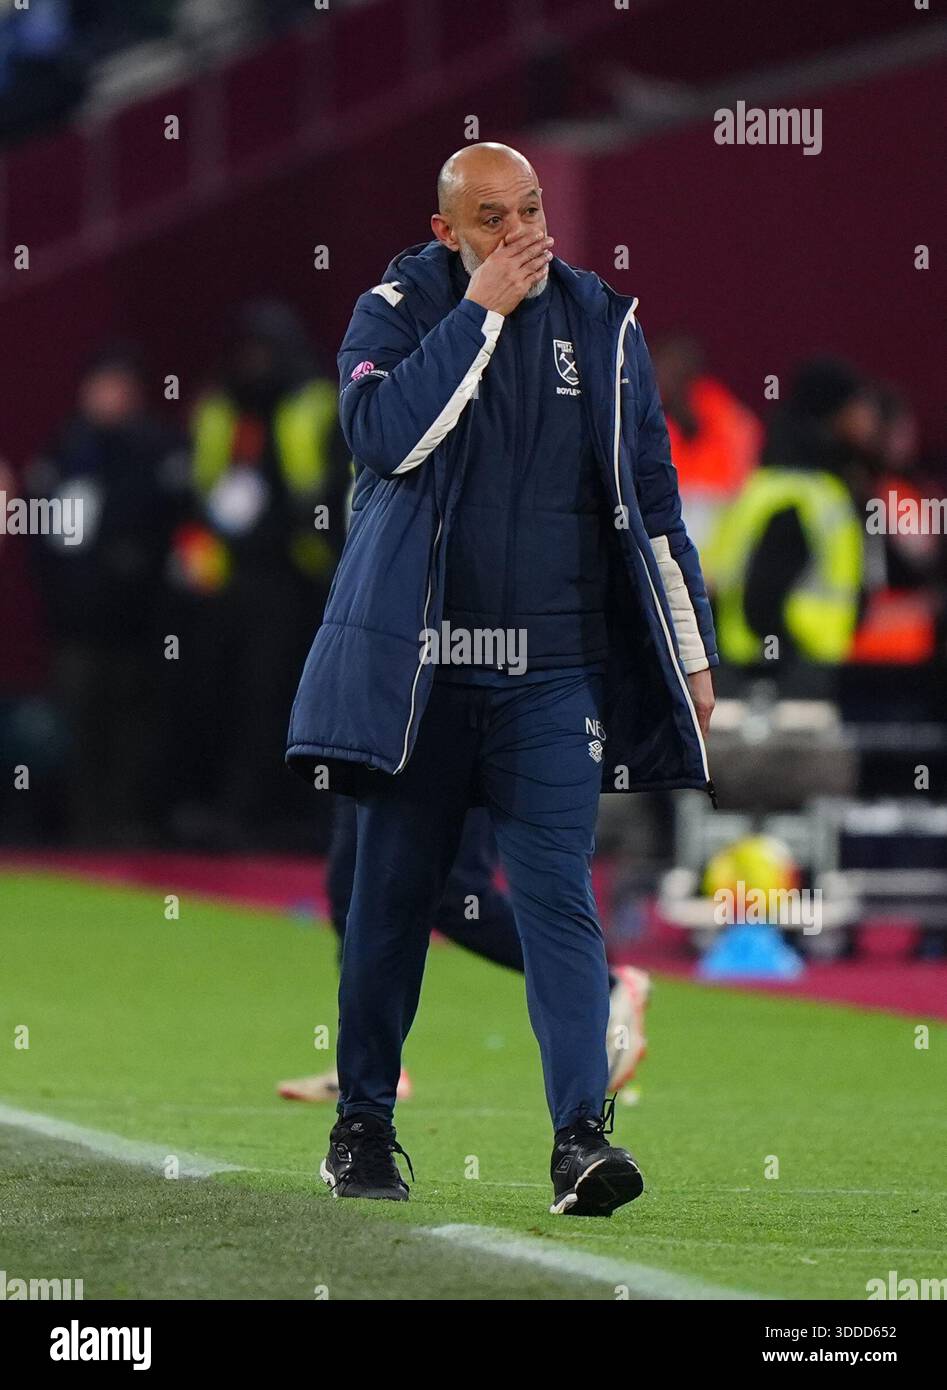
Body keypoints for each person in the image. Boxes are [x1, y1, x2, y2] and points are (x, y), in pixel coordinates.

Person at [285, 143, 717, 1215]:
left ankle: (580, 1139)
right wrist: (475, 312)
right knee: (388, 902)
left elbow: (652, 503)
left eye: (528, 211)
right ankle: (364, 1128)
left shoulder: (602, 325)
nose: (518, 235)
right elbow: (387, 437)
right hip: (420, 669)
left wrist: (692, 652)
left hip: (550, 672)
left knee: (560, 900)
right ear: (445, 230)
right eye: (489, 218)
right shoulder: (394, 308)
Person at [277, 799, 651, 1102]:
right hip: (379, 724)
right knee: (354, 882)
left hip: (456, 724)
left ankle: (604, 983)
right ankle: (367, 1062)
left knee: (457, 893)